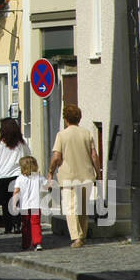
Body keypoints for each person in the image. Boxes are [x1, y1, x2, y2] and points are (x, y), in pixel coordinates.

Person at [49, 104, 100, 248]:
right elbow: (94, 156)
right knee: (83, 208)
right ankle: (82, 235)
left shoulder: (62, 135)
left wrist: (51, 171)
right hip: (86, 175)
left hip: (68, 176)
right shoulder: (87, 133)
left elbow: (56, 156)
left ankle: (76, 237)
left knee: (70, 208)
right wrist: (98, 173)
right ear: (79, 118)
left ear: (65, 119)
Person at [0, 117, 31, 235]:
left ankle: (8, 227)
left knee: (5, 202)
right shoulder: (21, 143)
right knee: (16, 201)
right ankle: (17, 224)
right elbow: (28, 156)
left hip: (2, 176)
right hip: (17, 176)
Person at [11, 155, 45, 250]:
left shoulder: (20, 179)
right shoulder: (39, 177)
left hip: (24, 206)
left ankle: (26, 243)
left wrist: (14, 204)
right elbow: (47, 185)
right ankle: (37, 242)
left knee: (25, 224)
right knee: (36, 224)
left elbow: (16, 192)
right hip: (36, 205)